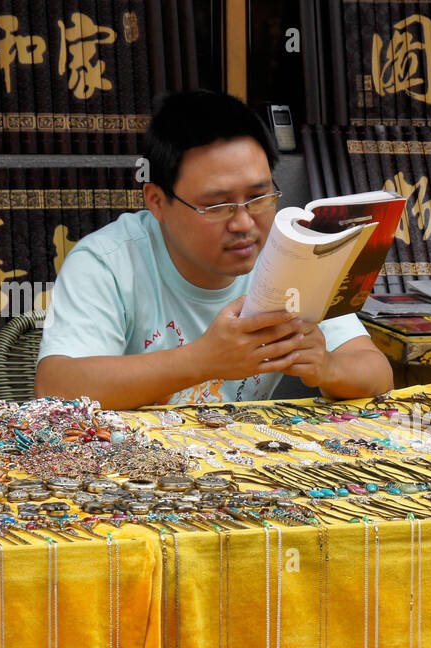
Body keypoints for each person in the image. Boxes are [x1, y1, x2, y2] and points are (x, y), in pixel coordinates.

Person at [35, 90, 394, 409]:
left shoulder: (291, 257)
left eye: (258, 198)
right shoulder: (109, 262)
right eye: (217, 205)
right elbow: (55, 388)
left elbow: (376, 374)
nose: (243, 224)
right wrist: (203, 360)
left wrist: (327, 368)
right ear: (157, 202)